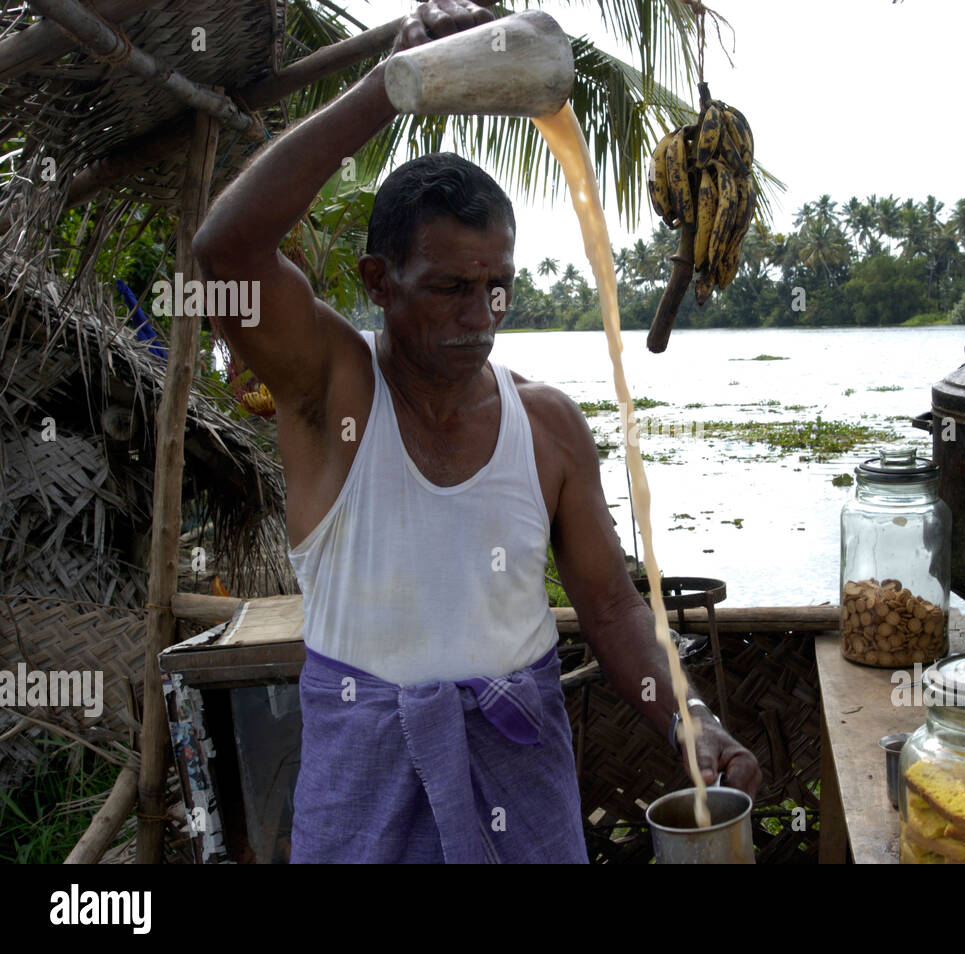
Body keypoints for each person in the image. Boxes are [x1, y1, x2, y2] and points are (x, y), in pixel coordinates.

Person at [192, 0, 760, 863]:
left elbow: (608, 607)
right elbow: (226, 253)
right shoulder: (328, 389)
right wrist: (387, 90)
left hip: (517, 768)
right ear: (378, 281)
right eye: (450, 288)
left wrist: (693, 722)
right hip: (368, 776)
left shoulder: (547, 425)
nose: (480, 316)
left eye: (497, 285)